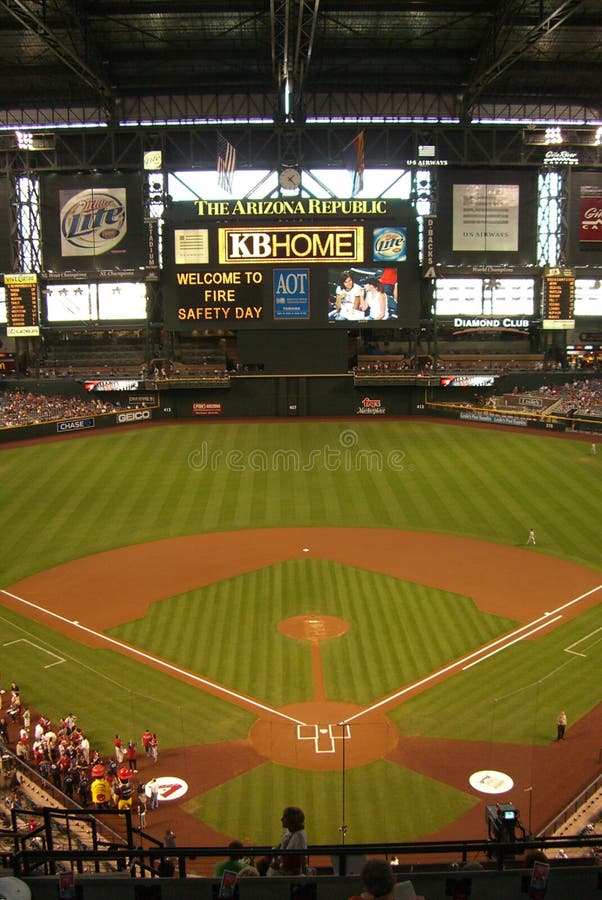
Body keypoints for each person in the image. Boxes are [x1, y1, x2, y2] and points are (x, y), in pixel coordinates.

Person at [268, 806, 308, 876]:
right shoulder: (289, 831)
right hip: (281, 868)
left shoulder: (299, 836)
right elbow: (280, 846)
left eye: (285, 817)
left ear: (292, 820)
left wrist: (276, 859)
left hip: (286, 874)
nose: (281, 819)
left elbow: (294, 866)